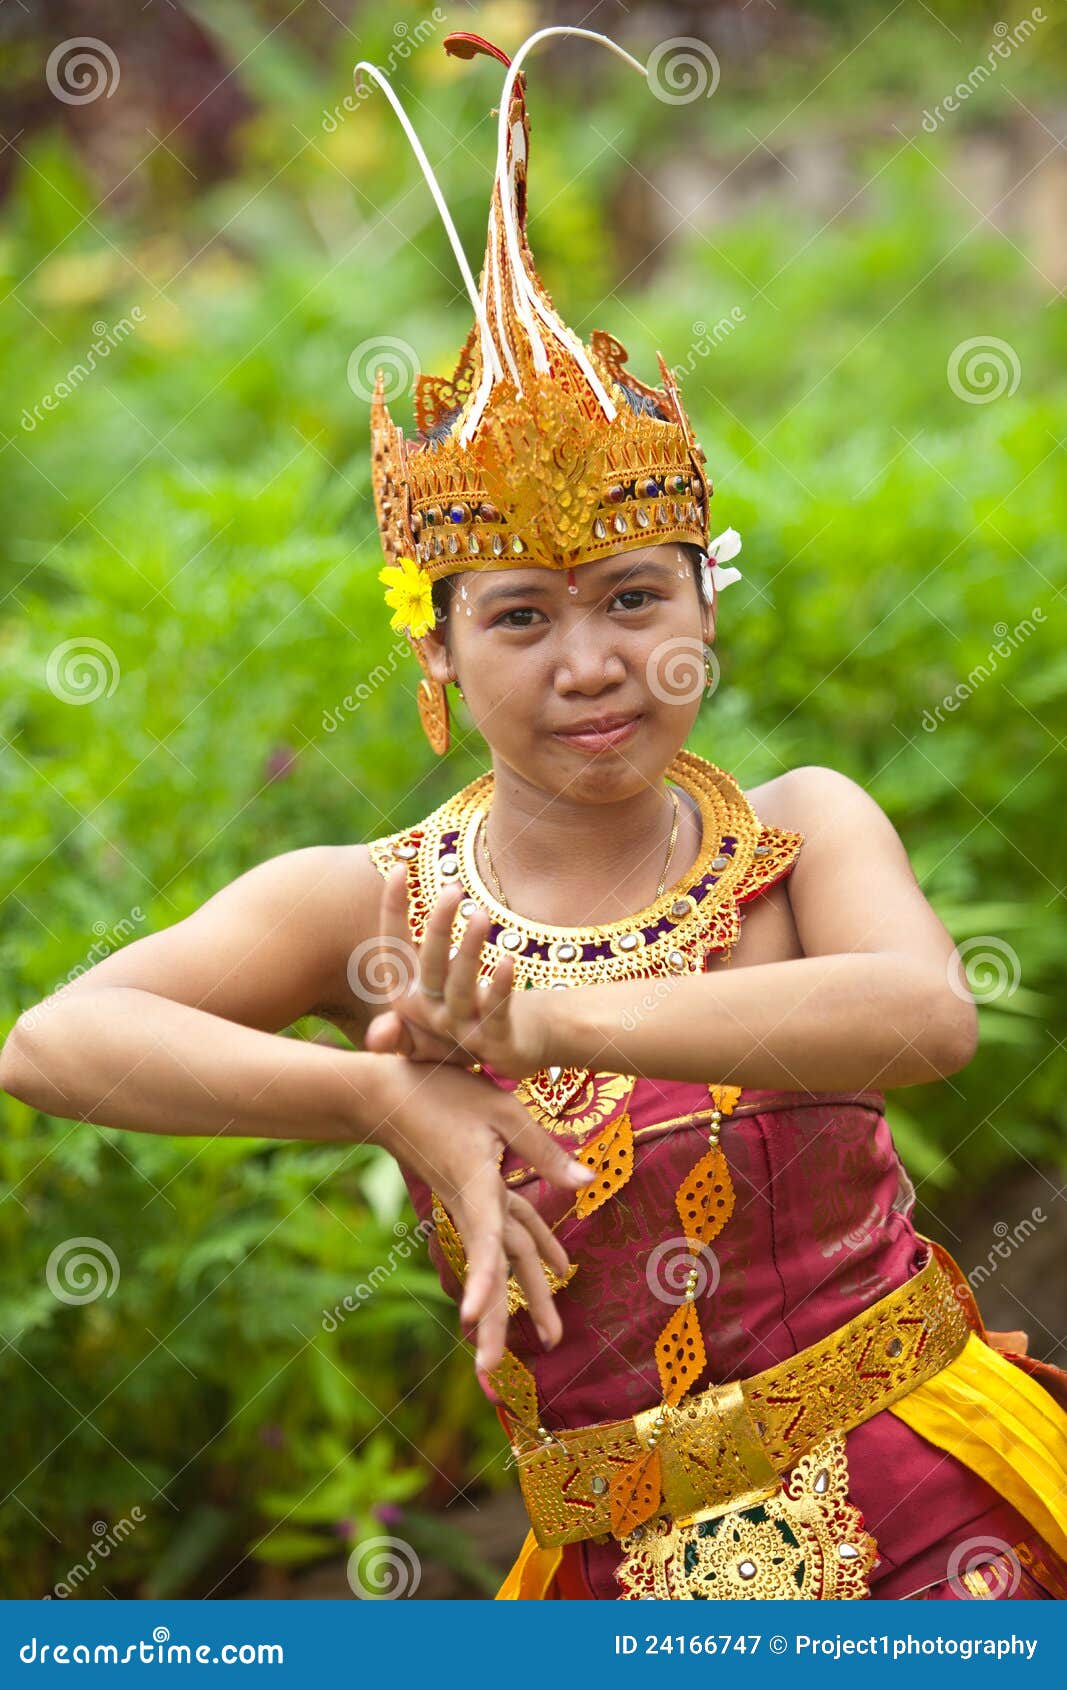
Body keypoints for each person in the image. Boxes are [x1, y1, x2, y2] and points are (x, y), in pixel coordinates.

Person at [3, 26, 1066, 1603]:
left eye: (637, 598)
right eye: (519, 620)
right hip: (606, 1571)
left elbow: (920, 1016)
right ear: (432, 651)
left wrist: (549, 1011)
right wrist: (385, 1102)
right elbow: (53, 1040)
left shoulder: (799, 828)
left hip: (934, 1514)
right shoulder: (377, 902)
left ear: (709, 596)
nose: (593, 665)